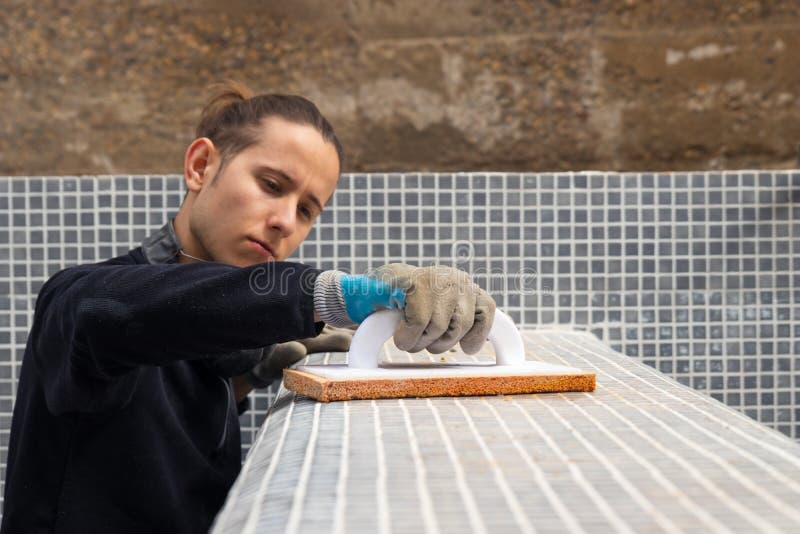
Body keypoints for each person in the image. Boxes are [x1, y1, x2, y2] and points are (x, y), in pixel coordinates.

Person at [0, 82, 496, 533]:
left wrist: (243, 380)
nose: (285, 222)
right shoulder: (79, 299)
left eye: (306, 210)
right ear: (200, 166)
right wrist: (346, 294)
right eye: (271, 185)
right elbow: (139, 314)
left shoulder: (216, 336)